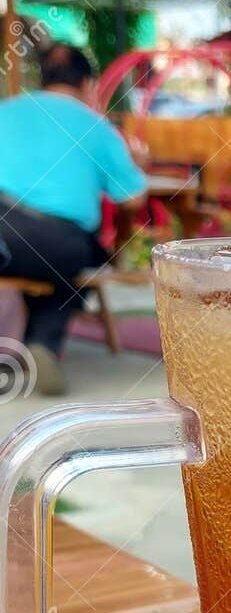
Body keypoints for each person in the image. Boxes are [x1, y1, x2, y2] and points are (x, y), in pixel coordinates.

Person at [0, 42, 147, 394]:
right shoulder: (98, 127)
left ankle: (34, 343)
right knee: (84, 256)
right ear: (87, 83)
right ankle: (44, 343)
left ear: (42, 79)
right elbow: (132, 200)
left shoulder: (6, 110)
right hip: (55, 241)